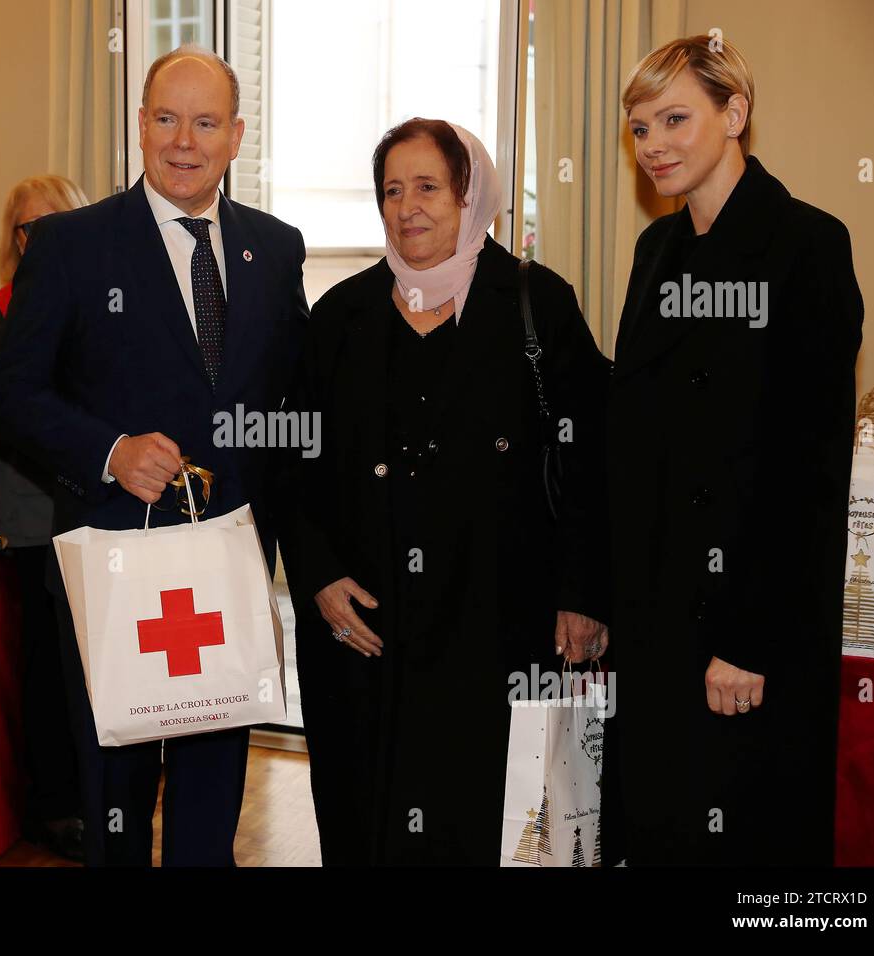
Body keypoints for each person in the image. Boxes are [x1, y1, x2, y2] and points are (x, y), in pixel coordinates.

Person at [0, 46, 308, 866]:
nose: (184, 141)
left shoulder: (276, 250)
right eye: (166, 118)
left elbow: (293, 408)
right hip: (113, 563)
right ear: (140, 125)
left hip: (229, 564)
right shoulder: (68, 245)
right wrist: (109, 449)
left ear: (236, 136)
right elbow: (11, 397)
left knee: (210, 792)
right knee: (115, 793)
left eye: (205, 122)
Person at [279, 118, 611, 864]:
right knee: (368, 816)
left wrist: (584, 593)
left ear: (470, 196)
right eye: (392, 190)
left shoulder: (536, 303)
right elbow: (293, 463)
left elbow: (588, 458)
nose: (407, 207)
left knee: (489, 811)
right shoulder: (341, 316)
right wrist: (319, 575)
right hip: (366, 630)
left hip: (499, 623)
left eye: (428, 186)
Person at [610, 36, 863, 865]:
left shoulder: (809, 246)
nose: (654, 145)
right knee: (660, 827)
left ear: (736, 114)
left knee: (745, 838)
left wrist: (749, 637)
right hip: (656, 617)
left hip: (752, 624)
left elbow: (809, 468)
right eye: (641, 127)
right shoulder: (657, 252)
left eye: (676, 118)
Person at [0, 174, 89, 860]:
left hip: (96, 514)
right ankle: (54, 807)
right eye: (24, 227)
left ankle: (100, 792)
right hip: (36, 517)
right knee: (46, 668)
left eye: (53, 224)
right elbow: (20, 418)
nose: (37, 239)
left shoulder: (103, 300)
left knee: (97, 664)